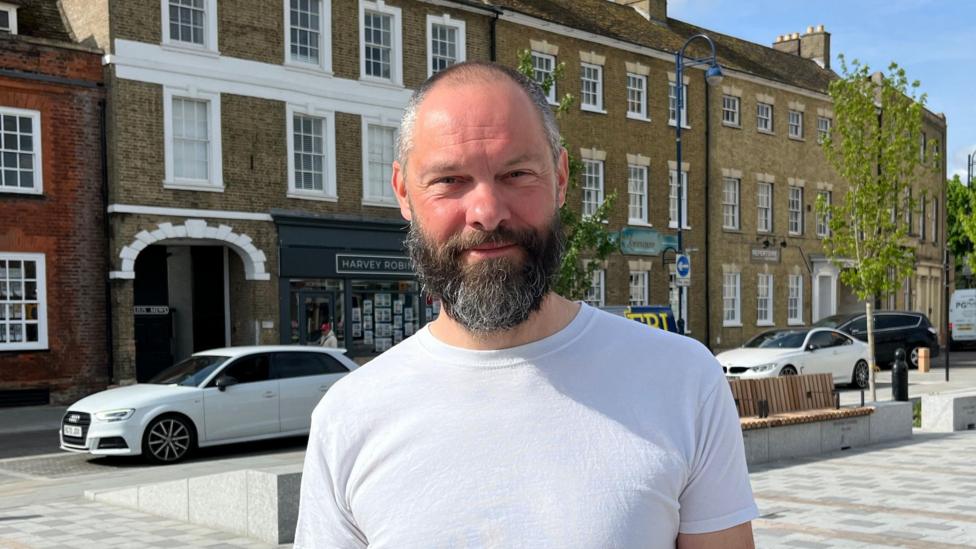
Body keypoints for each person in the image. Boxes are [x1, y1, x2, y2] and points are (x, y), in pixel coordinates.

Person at [295, 61, 757, 548]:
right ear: (404, 193)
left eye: (516, 173)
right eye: (450, 180)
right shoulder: (348, 416)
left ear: (560, 178)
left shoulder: (683, 379)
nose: (487, 212)